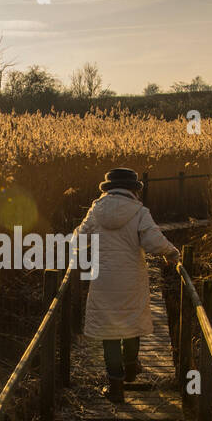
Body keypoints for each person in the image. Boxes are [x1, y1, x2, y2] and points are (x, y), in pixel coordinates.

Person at [77, 167, 180, 403]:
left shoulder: (96, 210)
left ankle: (115, 387)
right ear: (134, 189)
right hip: (132, 278)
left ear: (108, 189)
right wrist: (172, 253)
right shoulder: (140, 211)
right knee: (132, 321)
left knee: (109, 331)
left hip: (103, 279)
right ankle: (131, 368)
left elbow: (80, 237)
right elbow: (153, 241)